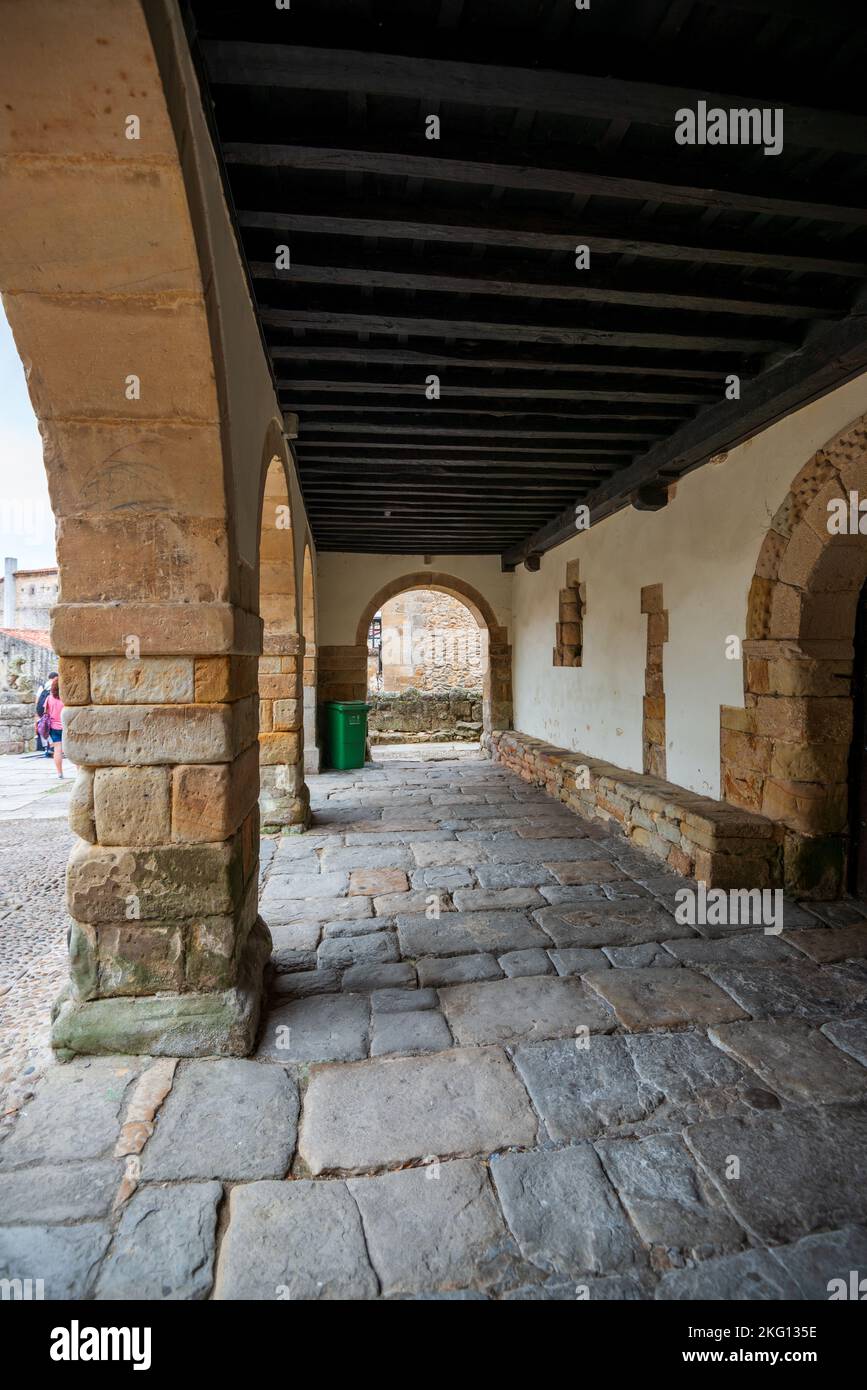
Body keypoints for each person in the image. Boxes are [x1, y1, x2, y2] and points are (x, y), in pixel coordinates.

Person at [43, 674, 65, 778]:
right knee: (72, 750)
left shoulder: (49, 698)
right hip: (67, 727)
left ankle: (59, 773)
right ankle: (79, 771)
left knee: (57, 750)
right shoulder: (66, 699)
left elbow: (45, 712)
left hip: (54, 727)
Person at [35, 671, 58, 757]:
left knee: (44, 727)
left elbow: (37, 699)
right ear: (55, 677)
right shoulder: (54, 684)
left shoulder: (43, 685)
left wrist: (37, 711)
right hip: (52, 709)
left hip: (42, 709)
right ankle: (52, 747)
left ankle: (46, 748)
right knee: (52, 727)